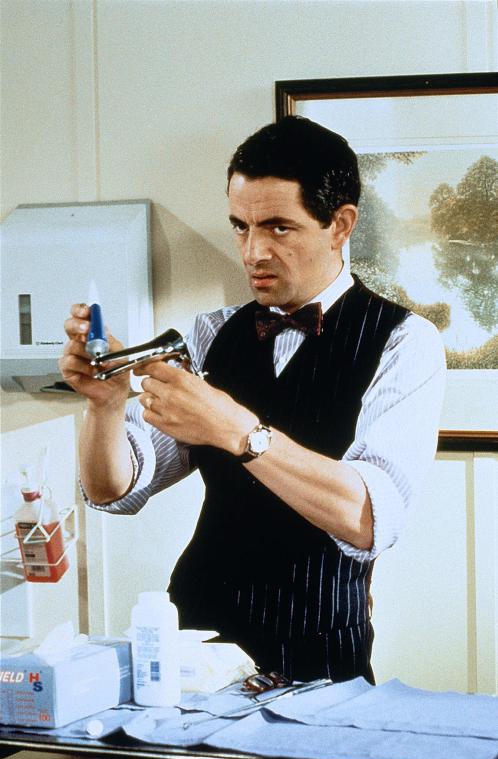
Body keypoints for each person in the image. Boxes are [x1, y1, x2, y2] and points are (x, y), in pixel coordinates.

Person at [60, 116, 446, 684]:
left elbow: (367, 517)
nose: (253, 251)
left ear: (340, 225)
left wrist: (237, 431)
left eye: (278, 228)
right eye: (240, 227)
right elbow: (112, 489)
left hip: (319, 656)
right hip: (197, 648)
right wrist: (106, 406)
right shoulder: (210, 334)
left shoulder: (404, 342)